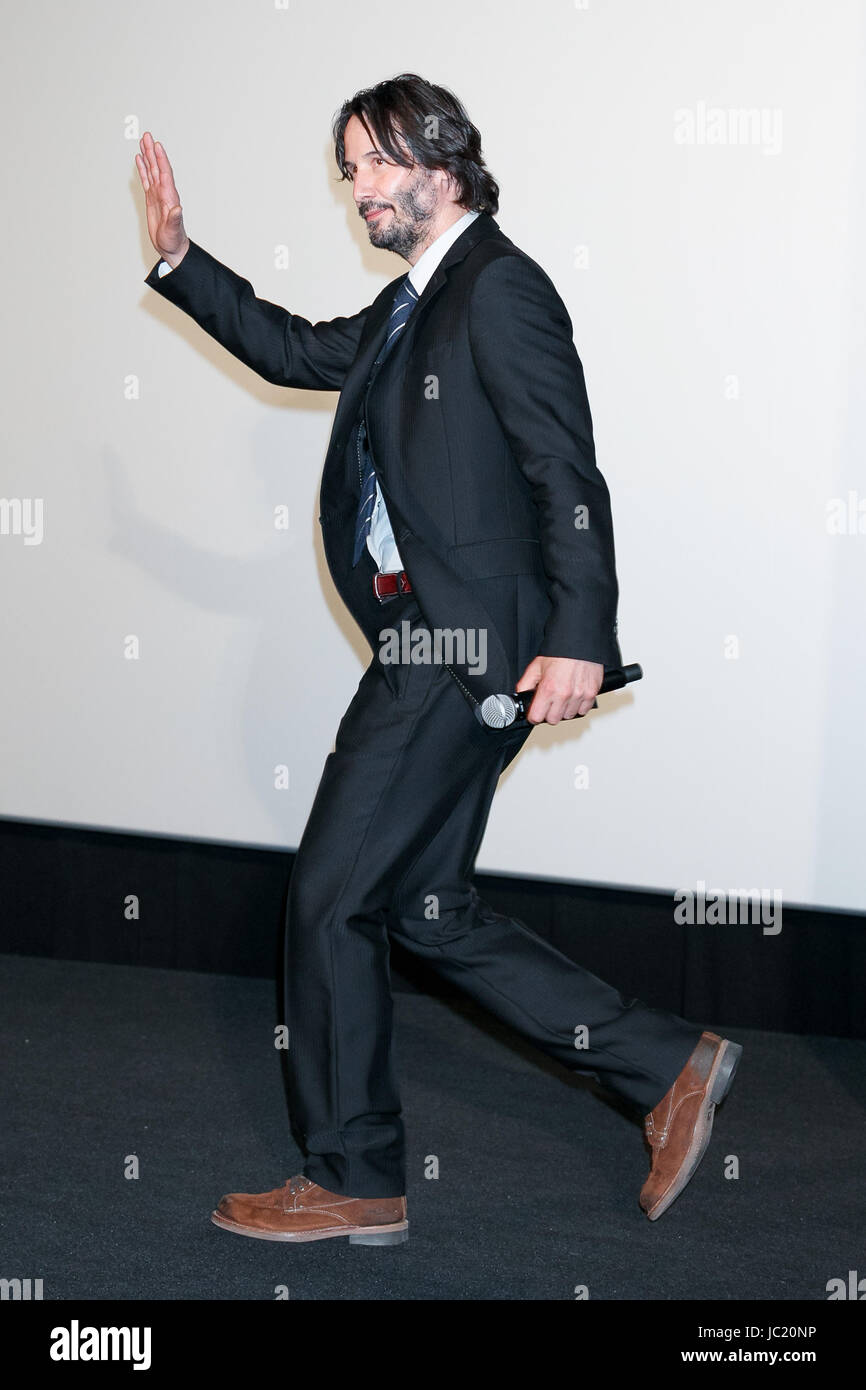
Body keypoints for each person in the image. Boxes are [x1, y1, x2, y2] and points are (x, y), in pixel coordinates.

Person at [135, 73, 742, 1246]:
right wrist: (180, 258)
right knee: (420, 903)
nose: (355, 187)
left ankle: (353, 1174)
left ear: (442, 163)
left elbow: (565, 472)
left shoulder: (497, 290)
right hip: (436, 643)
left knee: (324, 899)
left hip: (460, 646)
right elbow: (293, 350)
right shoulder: (411, 304)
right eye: (347, 168)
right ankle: (664, 1063)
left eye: (372, 163)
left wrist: (580, 634)